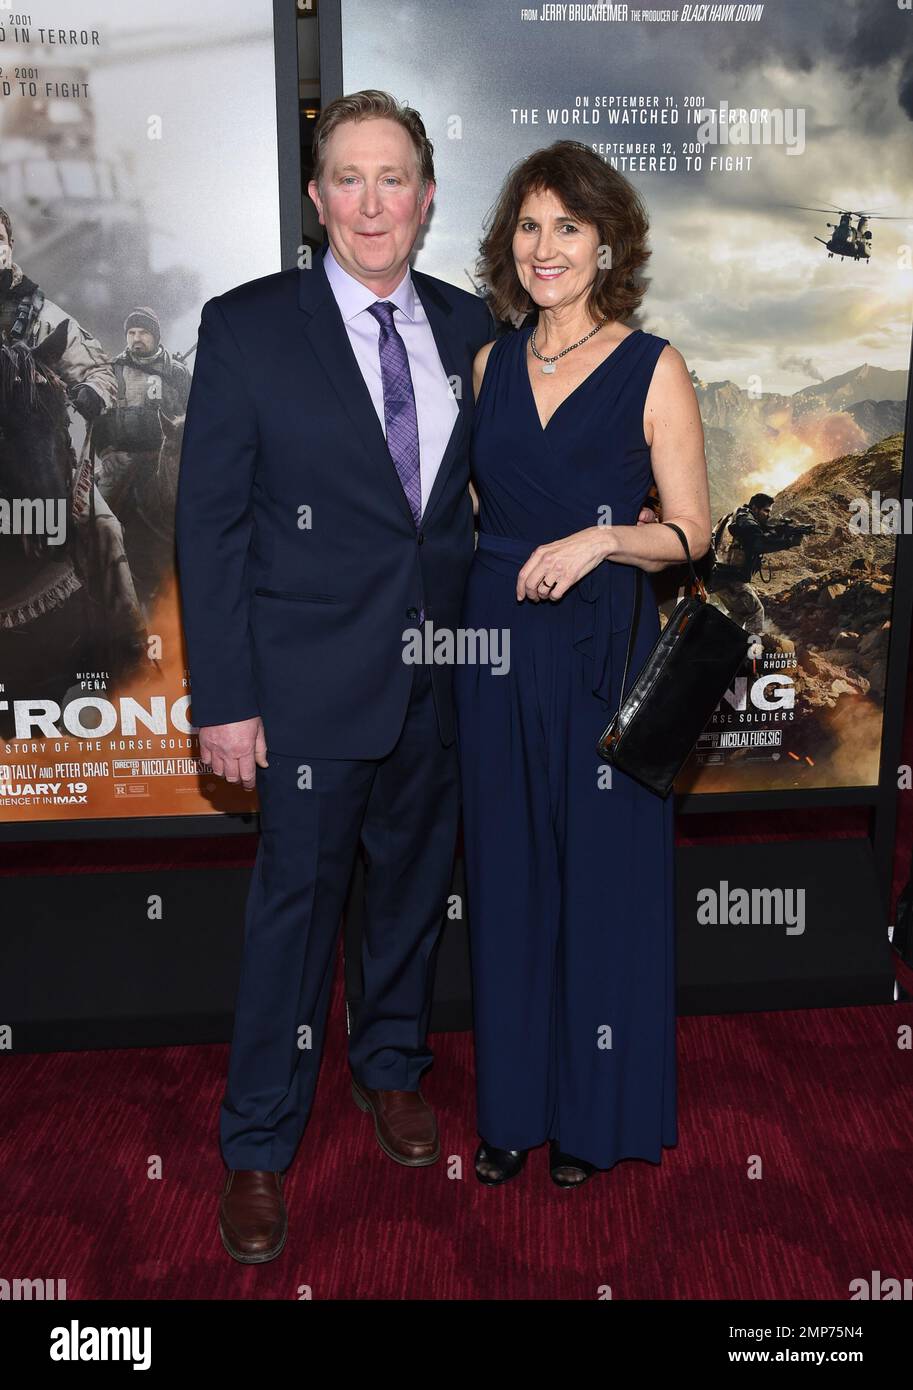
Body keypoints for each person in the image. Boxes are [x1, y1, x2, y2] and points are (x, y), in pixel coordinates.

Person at [175, 90, 494, 1263]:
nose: (371, 202)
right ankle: (257, 1144)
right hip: (304, 684)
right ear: (316, 200)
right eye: (347, 179)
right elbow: (208, 526)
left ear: (423, 196)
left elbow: (478, 512)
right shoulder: (249, 326)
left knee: (413, 893)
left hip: (442, 676)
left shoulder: (473, 328)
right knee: (294, 920)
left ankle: (392, 1069)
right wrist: (224, 698)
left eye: (393, 177)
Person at [454, 141, 712, 1187]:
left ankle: (592, 1116)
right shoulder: (486, 364)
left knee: (599, 882)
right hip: (500, 644)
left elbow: (693, 533)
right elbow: (479, 509)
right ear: (507, 244)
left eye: (566, 225)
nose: (544, 246)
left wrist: (607, 538)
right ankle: (514, 1109)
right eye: (527, 225)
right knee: (507, 876)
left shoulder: (655, 367)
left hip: (606, 642)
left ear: (606, 242)